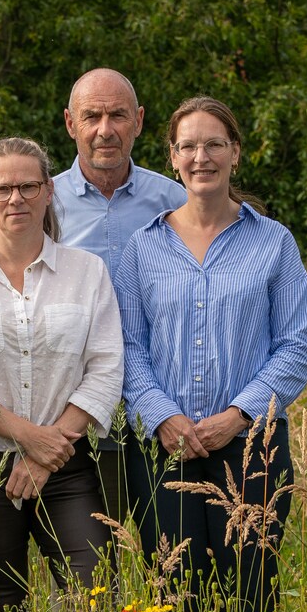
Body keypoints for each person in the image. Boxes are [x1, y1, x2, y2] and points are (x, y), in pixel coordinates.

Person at [115, 95, 307, 612]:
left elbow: (295, 348)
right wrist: (162, 416)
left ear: (235, 153)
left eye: (214, 144)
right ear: (173, 158)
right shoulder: (142, 248)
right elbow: (128, 348)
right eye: (188, 146)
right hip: (163, 448)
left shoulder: (274, 243)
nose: (201, 156)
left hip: (253, 450)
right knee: (174, 599)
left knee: (250, 596)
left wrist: (237, 417)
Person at [0, 137, 124, 612]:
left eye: (28, 186)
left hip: (67, 462)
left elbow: (105, 369)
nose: (16, 199)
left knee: (94, 597)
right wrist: (29, 438)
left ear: (49, 191)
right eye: (3, 188)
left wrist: (46, 452)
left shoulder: (87, 272)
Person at [53, 69, 186, 522]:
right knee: (87, 561)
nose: (104, 130)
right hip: (73, 409)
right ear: (71, 123)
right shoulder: (40, 202)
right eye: (92, 116)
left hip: (163, 408)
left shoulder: (175, 203)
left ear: (139, 121)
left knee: (168, 551)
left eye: (118, 115)